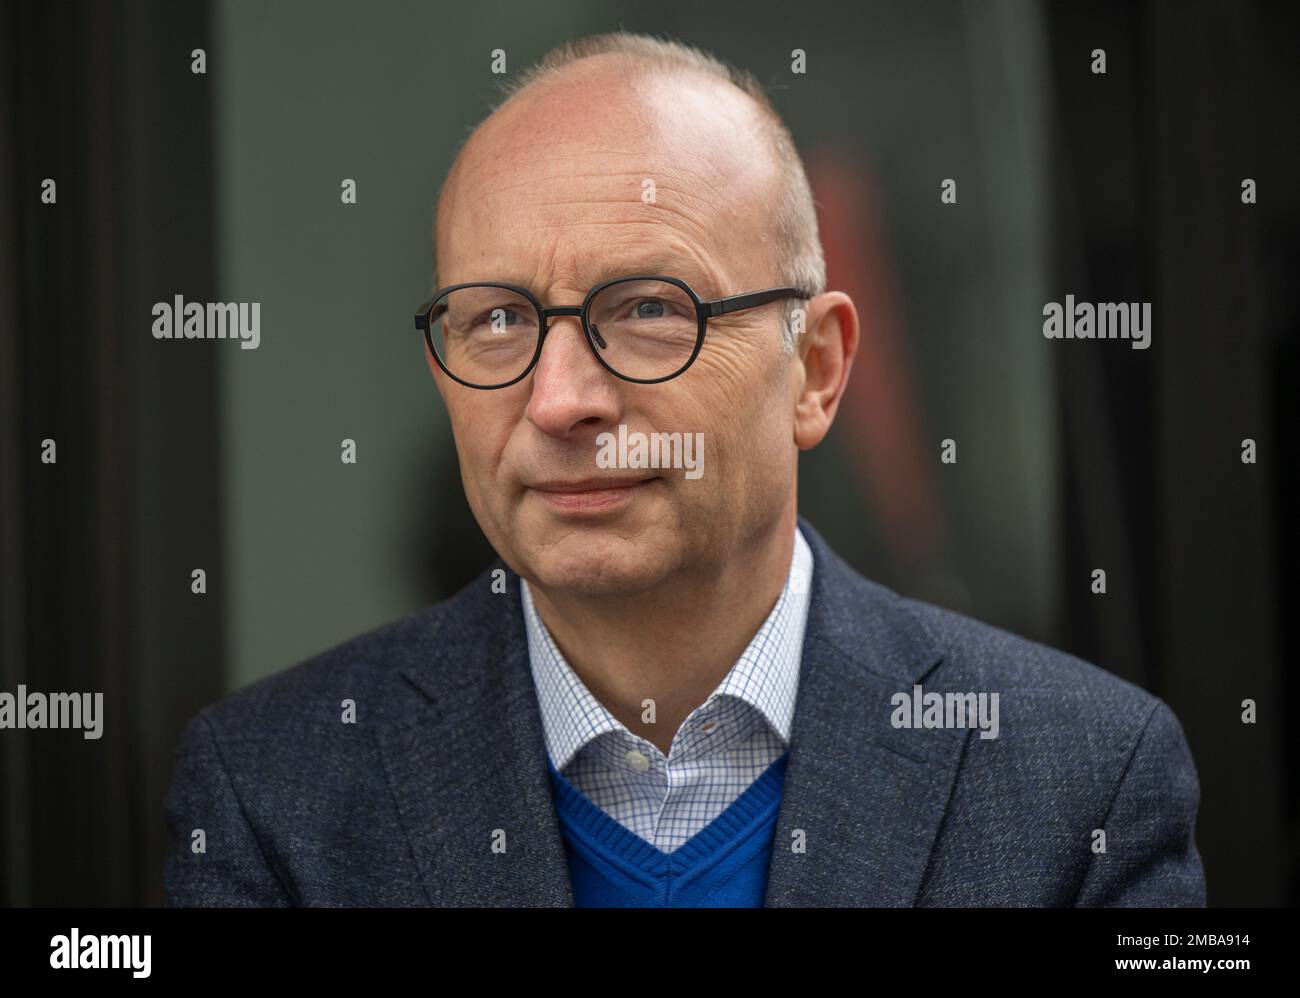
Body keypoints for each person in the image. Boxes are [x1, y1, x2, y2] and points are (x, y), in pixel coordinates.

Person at [164, 31, 1205, 907]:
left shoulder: (1080, 781)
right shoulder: (274, 794)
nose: (561, 396)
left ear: (815, 368)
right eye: (496, 320)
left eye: (649, 308)